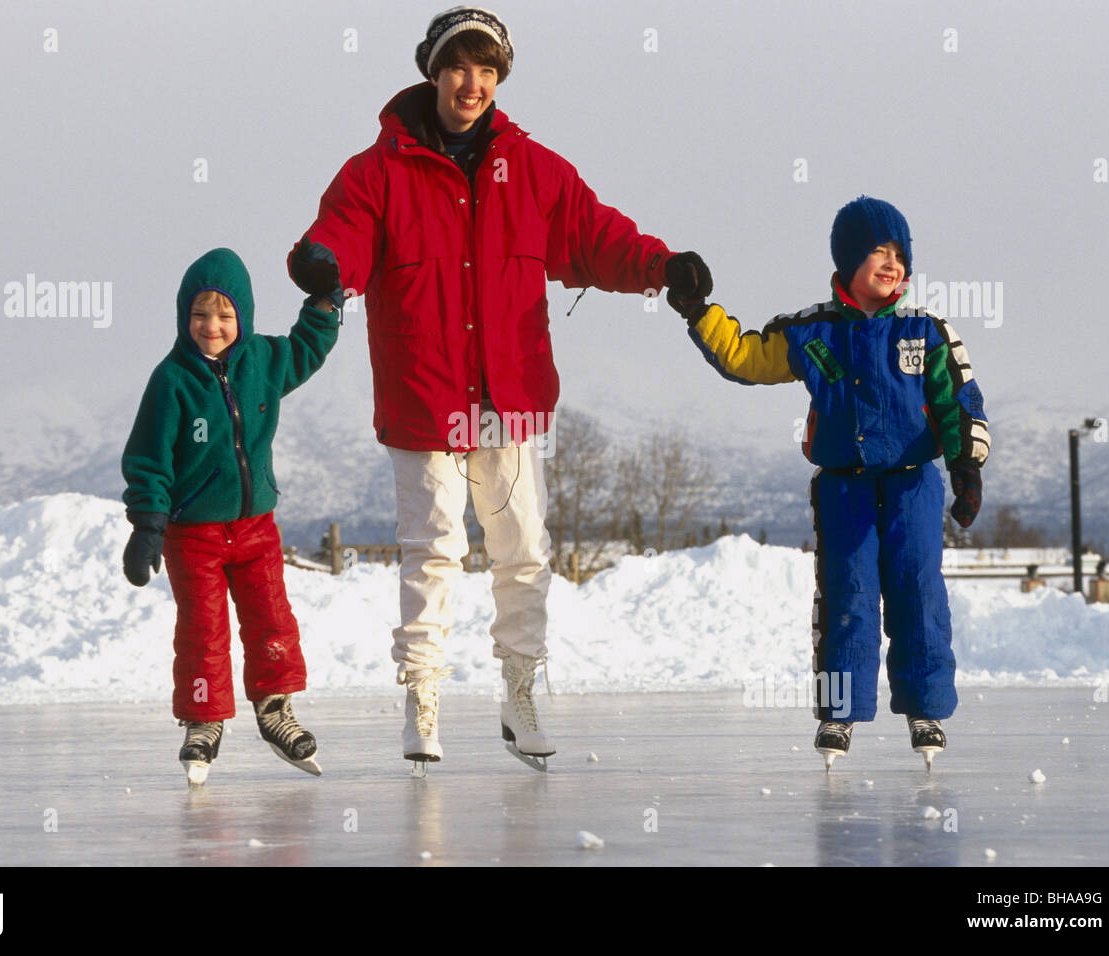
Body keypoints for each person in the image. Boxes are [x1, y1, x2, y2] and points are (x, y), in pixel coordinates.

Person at [288, 6, 711, 769]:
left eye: (487, 70)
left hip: (512, 399)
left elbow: (596, 235)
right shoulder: (377, 172)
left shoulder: (535, 169)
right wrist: (321, 263)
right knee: (433, 552)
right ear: (433, 71)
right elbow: (342, 234)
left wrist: (663, 266)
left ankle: (520, 695)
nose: (472, 82)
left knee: (522, 551)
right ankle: (422, 702)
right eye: (459, 66)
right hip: (425, 397)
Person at [673, 196, 990, 769]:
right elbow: (745, 357)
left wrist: (966, 466)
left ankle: (926, 707)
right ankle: (839, 715)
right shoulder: (813, 331)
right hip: (844, 488)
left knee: (919, 589)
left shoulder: (928, 330)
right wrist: (699, 310)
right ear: (847, 263)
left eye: (900, 254)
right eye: (877, 252)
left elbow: (959, 400)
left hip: (913, 485)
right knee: (848, 596)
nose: (891, 264)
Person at [121, 245, 341, 784]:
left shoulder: (263, 362)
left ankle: (275, 708)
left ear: (242, 316)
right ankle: (202, 720)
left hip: (255, 527)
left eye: (223, 315)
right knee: (203, 629)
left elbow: (308, 348)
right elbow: (149, 459)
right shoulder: (170, 380)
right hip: (191, 533)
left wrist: (325, 303)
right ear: (182, 316)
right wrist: (147, 525)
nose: (211, 326)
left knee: (272, 618)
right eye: (199, 314)